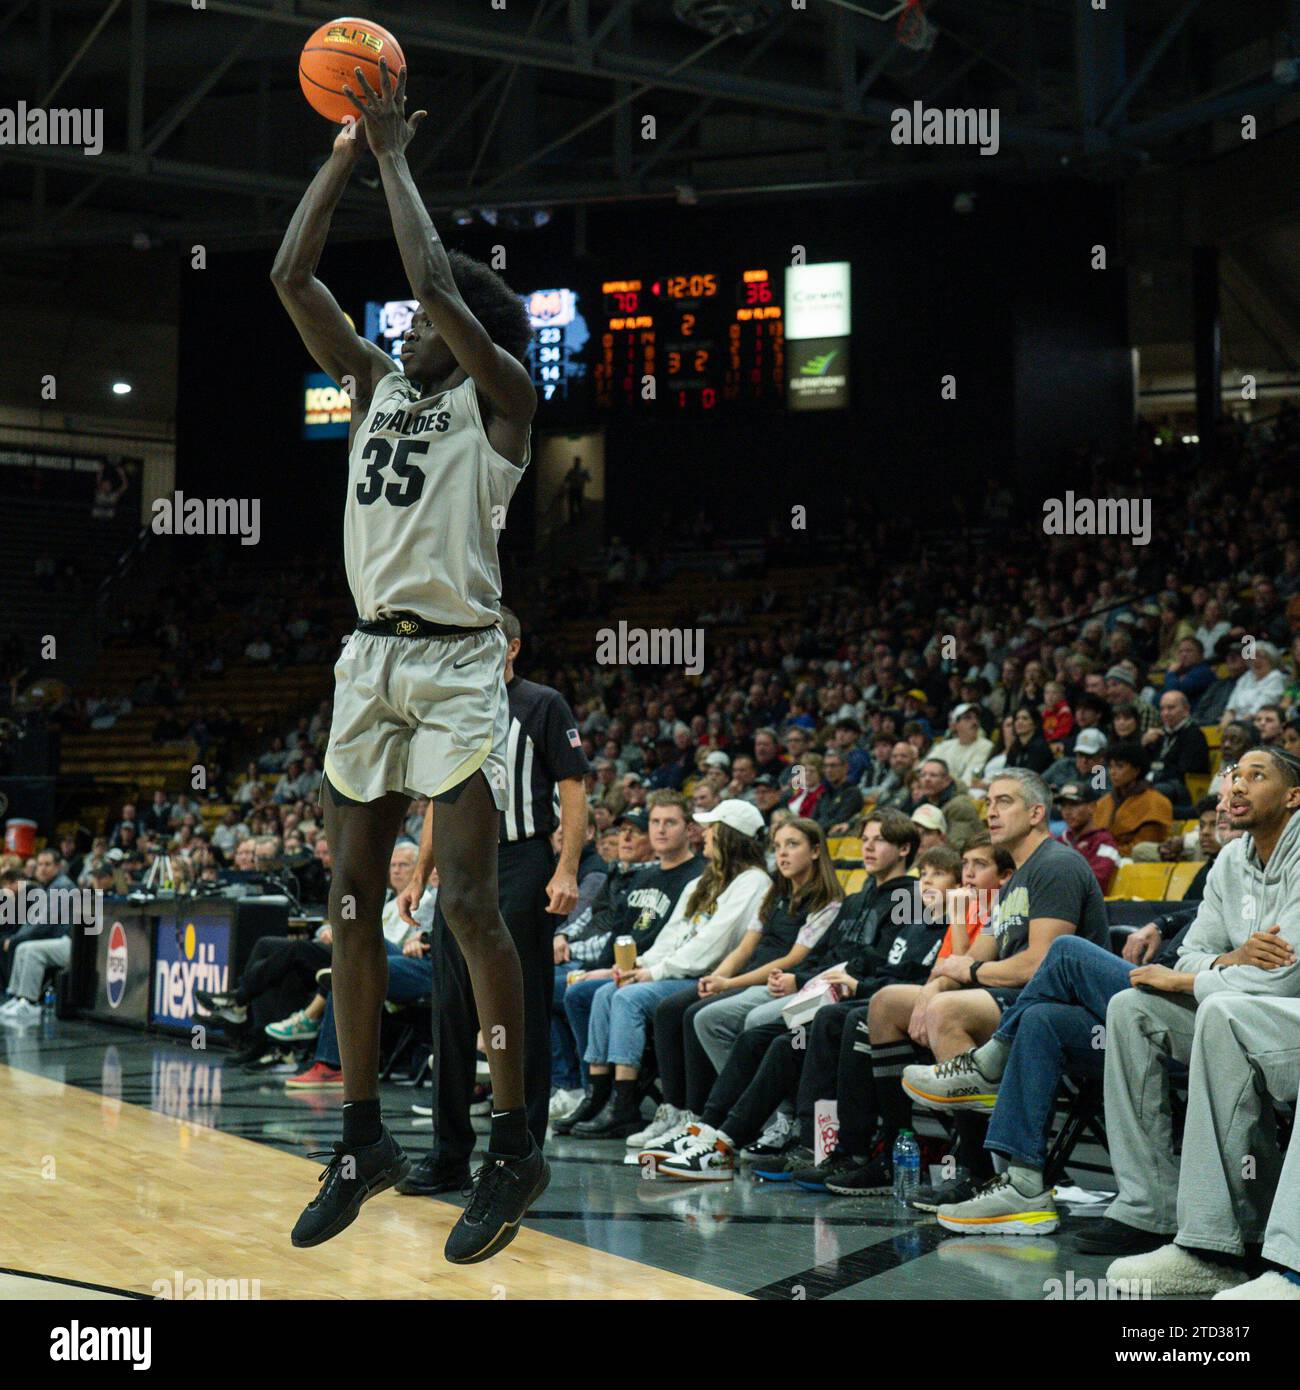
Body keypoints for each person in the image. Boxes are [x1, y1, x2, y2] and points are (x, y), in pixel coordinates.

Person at [272, 61, 543, 1263]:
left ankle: (511, 1142)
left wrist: (389, 150)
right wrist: (336, 161)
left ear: (460, 330)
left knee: (472, 904)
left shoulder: (502, 399)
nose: (401, 324)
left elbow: (433, 276)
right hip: (368, 664)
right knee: (349, 902)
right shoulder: (374, 388)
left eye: (422, 320)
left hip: (455, 667)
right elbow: (291, 277)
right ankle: (364, 1134)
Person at [904, 782, 1243, 1231]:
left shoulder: (1059, 864)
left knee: (1064, 951)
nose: (1223, 807)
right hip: (1138, 997)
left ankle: (988, 1068)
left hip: (1182, 1003)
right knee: (1040, 1019)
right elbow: (1198, 918)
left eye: (1005, 801)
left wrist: (1182, 973)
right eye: (1220, 800)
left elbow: (1255, 954)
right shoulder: (1225, 873)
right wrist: (1161, 923)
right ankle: (1024, 1183)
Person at [396, 606, 588, 1193]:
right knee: (449, 1007)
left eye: (489, 645)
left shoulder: (543, 703)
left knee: (519, 1006)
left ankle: (518, 1153)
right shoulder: (452, 710)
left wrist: (566, 868)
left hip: (523, 862)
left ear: (511, 648)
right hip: (461, 864)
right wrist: (419, 872)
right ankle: (448, 1153)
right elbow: (437, 798)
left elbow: (574, 789)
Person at [1092, 748, 1300, 1266]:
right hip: (1239, 1012)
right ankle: (1149, 1207)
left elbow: (1283, 976)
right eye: (1234, 777)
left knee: (1221, 1009)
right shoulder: (1230, 859)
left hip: (1286, 1019)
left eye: (1257, 777)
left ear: (1294, 796)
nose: (1237, 787)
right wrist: (1231, 958)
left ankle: (1224, 1233)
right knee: (1128, 1009)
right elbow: (1193, 949)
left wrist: (1196, 977)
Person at [868, 768, 1108, 1194]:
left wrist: (963, 978)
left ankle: (978, 1169)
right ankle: (895, 1153)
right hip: (1007, 994)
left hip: (1059, 1006)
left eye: (1004, 802)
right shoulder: (1016, 878)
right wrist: (934, 986)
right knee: (886, 1003)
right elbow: (974, 955)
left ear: (1036, 813)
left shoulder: (1057, 866)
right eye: (988, 803)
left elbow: (1041, 964)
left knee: (948, 1011)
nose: (990, 812)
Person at [635, 818, 843, 1156]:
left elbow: (793, 958)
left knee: (739, 1020)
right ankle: (723, 1114)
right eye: (777, 847)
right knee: (695, 1014)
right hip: (754, 975)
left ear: (816, 850)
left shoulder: (828, 901)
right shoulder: (775, 892)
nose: (783, 854)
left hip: (786, 984)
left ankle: (763, 1116)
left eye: (792, 845)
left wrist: (729, 982)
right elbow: (746, 947)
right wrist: (720, 978)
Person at [567, 799, 771, 1138]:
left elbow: (713, 944)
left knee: (629, 999)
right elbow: (671, 935)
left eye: (712, 829)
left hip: (708, 975)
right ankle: (603, 1096)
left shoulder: (753, 881)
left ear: (731, 837)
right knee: (607, 992)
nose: (704, 835)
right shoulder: (704, 881)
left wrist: (655, 973)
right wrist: (640, 966)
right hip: (677, 970)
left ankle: (640, 1104)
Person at [1092, 741, 1173, 854]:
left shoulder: (1156, 802)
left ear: (1136, 770)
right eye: (1110, 767)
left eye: (1119, 766)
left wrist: (1106, 854)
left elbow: (1144, 849)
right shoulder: (1103, 802)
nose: (1113, 772)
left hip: (1136, 864)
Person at [1055, 782, 1121, 893]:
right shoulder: (1059, 842)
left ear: (1092, 807)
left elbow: (1098, 881)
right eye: (1063, 806)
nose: (1067, 812)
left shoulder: (1104, 842)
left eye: (1074, 804)